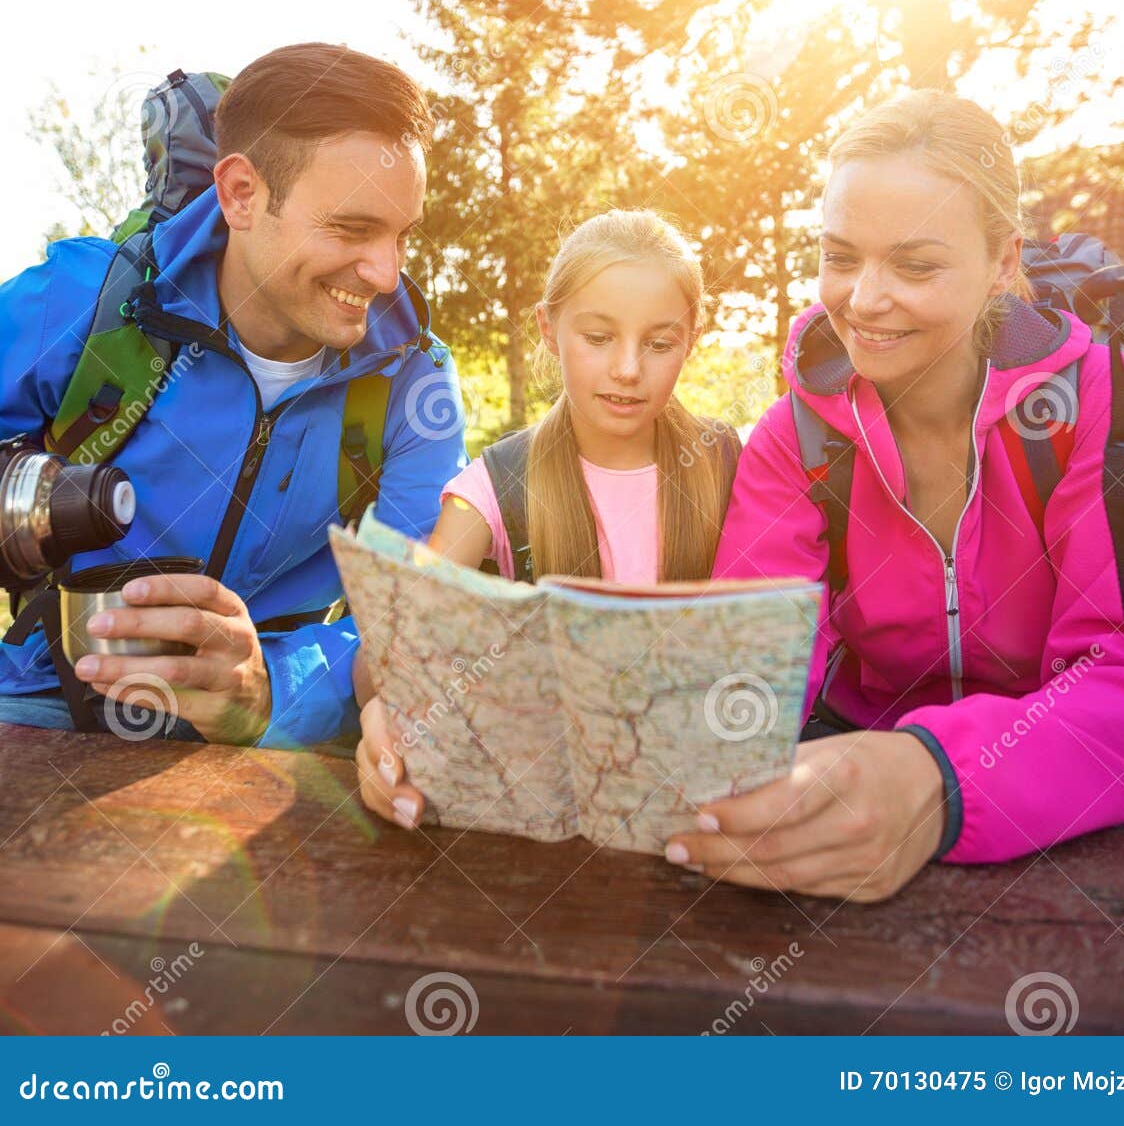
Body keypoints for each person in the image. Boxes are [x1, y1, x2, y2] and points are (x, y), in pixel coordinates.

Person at [664, 90, 1124, 900]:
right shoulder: (796, 435)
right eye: (841, 257)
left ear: (1004, 263)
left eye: (915, 265)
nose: (864, 300)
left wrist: (938, 777)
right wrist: (721, 757)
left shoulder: (1100, 407)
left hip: (1062, 826)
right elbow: (749, 655)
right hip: (843, 781)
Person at [0, 43, 465, 747]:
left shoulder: (415, 385)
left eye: (401, 234)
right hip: (43, 707)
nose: (384, 272)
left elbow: (417, 624)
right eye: (352, 228)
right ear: (241, 193)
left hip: (278, 746)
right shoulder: (84, 299)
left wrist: (273, 688)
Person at [353, 208, 739, 826]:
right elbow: (392, 651)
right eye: (598, 337)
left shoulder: (730, 465)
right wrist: (385, 712)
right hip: (550, 820)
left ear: (692, 339)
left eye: (660, 343)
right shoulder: (495, 485)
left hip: (699, 815)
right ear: (548, 327)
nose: (628, 369)